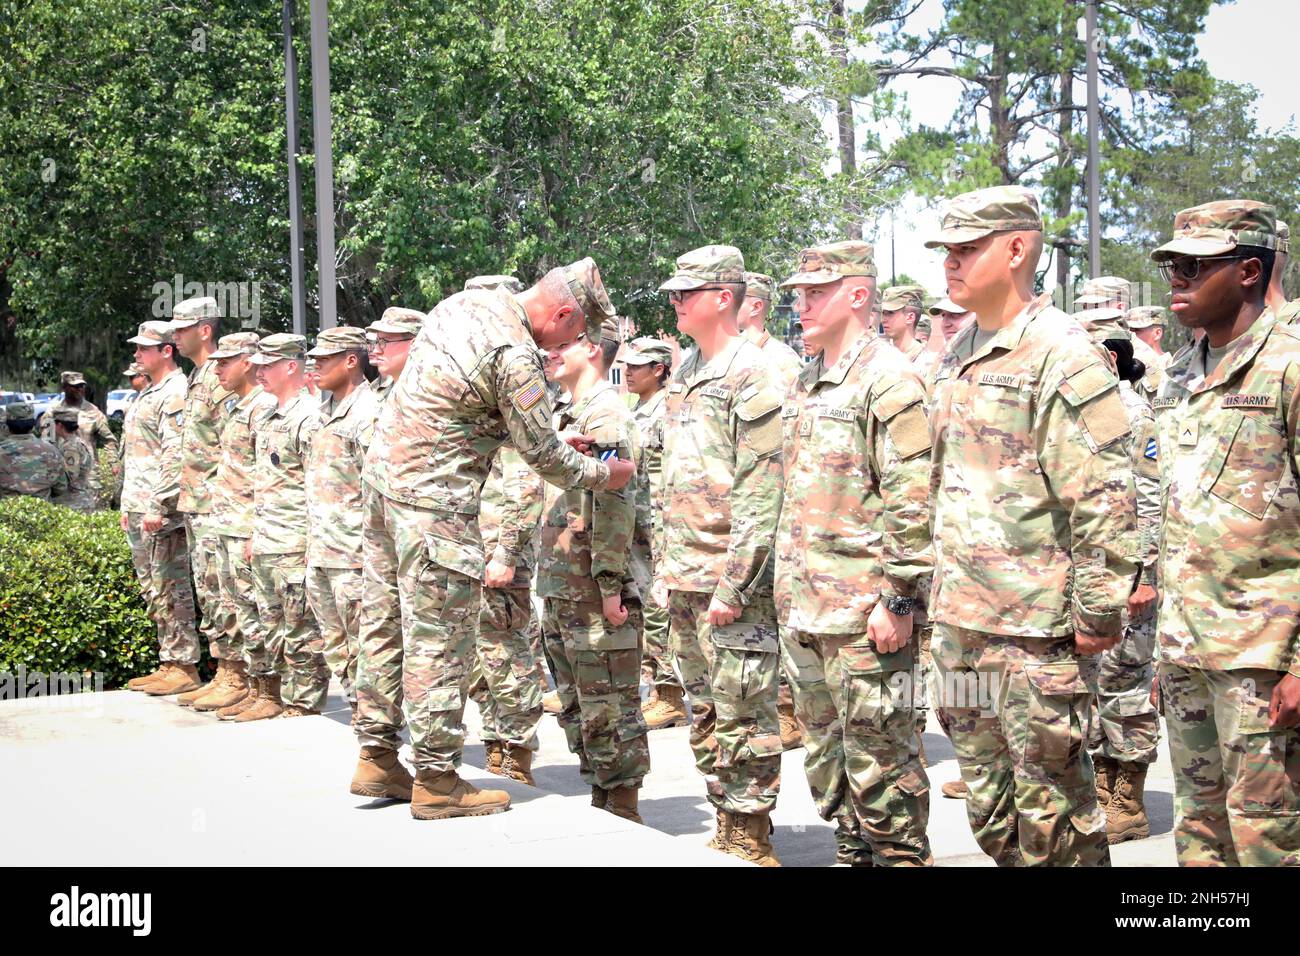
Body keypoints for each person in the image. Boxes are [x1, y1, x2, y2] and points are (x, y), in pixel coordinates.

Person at [352, 260, 634, 822]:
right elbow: (543, 459)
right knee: (439, 636)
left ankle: (377, 753)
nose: (569, 344)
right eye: (575, 332)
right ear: (561, 313)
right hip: (435, 502)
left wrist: (550, 434)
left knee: (383, 620)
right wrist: (606, 475)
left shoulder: (461, 305)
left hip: (385, 487)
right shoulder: (515, 352)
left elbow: (465, 403)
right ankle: (435, 778)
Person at [925, 185, 1139, 867]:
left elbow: (1103, 498)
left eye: (966, 249)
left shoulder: (1060, 353)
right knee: (991, 817)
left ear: (1017, 249)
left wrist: (1096, 616)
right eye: (947, 251)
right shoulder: (960, 349)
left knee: (1054, 825)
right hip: (962, 623)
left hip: (1034, 634)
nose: (951, 264)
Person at [1149, 199, 1300, 866]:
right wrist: (1166, 647)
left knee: (1268, 839)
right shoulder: (1179, 376)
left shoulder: (1288, 368)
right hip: (1186, 649)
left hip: (1263, 661)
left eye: (1194, 265)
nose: (1176, 278)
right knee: (1200, 834)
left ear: (1246, 271)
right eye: (1172, 266)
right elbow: (1171, 510)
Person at [776, 241, 934, 867]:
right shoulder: (805, 377)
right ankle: (850, 853)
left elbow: (912, 496)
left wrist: (899, 597)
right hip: (807, 606)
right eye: (798, 292)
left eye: (817, 292)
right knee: (826, 761)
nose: (802, 303)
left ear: (859, 295)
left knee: (883, 765)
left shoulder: (890, 378)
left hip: (866, 615)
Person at [653, 245, 785, 865]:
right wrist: (662, 569)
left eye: (687, 293)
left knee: (745, 708)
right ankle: (725, 818)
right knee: (705, 707)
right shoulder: (685, 374)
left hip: (730, 579)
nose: (675, 302)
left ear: (723, 298)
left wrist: (736, 583)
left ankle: (752, 829)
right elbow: (665, 477)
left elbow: (762, 490)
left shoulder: (754, 373)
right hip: (685, 573)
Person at [537, 315, 650, 820]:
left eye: (563, 345)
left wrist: (609, 583)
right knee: (578, 704)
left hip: (591, 587)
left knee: (608, 704)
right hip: (562, 583)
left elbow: (616, 501)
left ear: (591, 349)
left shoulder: (605, 414)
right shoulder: (569, 411)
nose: (551, 353)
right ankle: (602, 796)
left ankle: (621, 803)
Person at [1073, 313, 1162, 844]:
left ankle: (1127, 797)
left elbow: (1150, 496)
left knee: (1125, 683)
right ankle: (1101, 785)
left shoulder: (1133, 412)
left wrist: (1145, 573)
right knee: (1091, 683)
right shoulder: (1085, 410)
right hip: (1090, 572)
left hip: (1130, 571)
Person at [462, 275, 550, 785]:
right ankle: (494, 741)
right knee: (479, 658)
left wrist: (506, 553)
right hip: (471, 548)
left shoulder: (515, 370)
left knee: (508, 657)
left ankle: (517, 749)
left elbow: (525, 485)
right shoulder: (476, 377)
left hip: (500, 553)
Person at [347, 306, 423, 801]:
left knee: (437, 649)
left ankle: (497, 757)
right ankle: (381, 757)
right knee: (382, 639)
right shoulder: (379, 396)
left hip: (424, 539)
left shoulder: (427, 393)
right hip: (387, 540)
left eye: (389, 341)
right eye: (373, 340)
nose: (376, 348)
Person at [238, 334, 327, 721]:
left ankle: (303, 703)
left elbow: (316, 483)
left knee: (301, 631)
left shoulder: (309, 417)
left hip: (295, 540)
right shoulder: (270, 414)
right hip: (269, 539)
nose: (259, 372)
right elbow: (265, 481)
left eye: (267, 364)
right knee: (270, 625)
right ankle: (271, 695)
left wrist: (313, 540)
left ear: (292, 366)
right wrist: (255, 534)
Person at [120, 321, 203, 696]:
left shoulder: (174, 392)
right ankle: (169, 660)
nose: (136, 355)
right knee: (154, 589)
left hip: (160, 509)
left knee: (171, 586)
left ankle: (184, 665)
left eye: (143, 349)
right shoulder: (148, 392)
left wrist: (159, 504)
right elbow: (137, 455)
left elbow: (174, 453)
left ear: (166, 351)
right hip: (139, 505)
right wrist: (128, 503)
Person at [741, 270, 804, 750]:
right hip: (743, 510)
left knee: (773, 615)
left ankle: (786, 710)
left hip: (776, 505)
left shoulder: (780, 362)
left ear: (756, 306)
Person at [199, 333, 276, 716]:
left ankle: (268, 690)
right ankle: (246, 682)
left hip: (246, 524)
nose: (218, 370)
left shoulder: (263, 407)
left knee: (256, 609)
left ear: (247, 362)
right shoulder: (236, 407)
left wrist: (257, 527)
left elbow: (267, 473)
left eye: (224, 362)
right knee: (236, 609)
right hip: (227, 523)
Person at [170, 297, 241, 707]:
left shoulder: (220, 377)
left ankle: (237, 674)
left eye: (182, 329)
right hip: (198, 504)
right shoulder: (198, 377)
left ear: (205, 330)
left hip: (217, 504)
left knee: (225, 591)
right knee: (209, 591)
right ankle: (224, 669)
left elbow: (231, 444)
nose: (175, 337)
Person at [305, 326, 379, 724]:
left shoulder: (369, 414)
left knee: (366, 644)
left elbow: (377, 489)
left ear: (351, 360)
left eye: (324, 359)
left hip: (354, 556)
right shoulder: (323, 413)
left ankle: (376, 719)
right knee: (336, 645)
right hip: (322, 551)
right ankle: (357, 708)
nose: (314, 366)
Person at [622, 336, 686, 731]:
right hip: (638, 521)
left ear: (658, 370)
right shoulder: (638, 409)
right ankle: (654, 686)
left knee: (661, 608)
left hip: (661, 521)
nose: (627, 371)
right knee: (645, 605)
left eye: (636, 366)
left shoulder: (669, 410)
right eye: (626, 365)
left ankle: (671, 694)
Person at [39, 369, 118, 501]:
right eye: (74, 386)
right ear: (64, 387)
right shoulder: (53, 413)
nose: (79, 389)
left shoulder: (93, 412)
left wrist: (114, 463)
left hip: (88, 476)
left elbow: (108, 440)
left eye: (81, 386)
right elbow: (46, 443)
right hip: (61, 476)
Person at [0, 402, 68, 501]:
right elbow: (61, 488)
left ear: (7, 425)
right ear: (33, 425)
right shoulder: (51, 452)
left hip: (6, 513)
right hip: (41, 512)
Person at [52, 409, 96, 512]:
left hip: (75, 503)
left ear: (59, 425)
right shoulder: (77, 442)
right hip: (81, 500)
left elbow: (70, 476)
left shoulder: (70, 447)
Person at [879, 284, 927, 364]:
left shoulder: (926, 361)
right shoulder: (881, 358)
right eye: (883, 313)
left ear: (910, 317)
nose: (883, 319)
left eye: (890, 313)